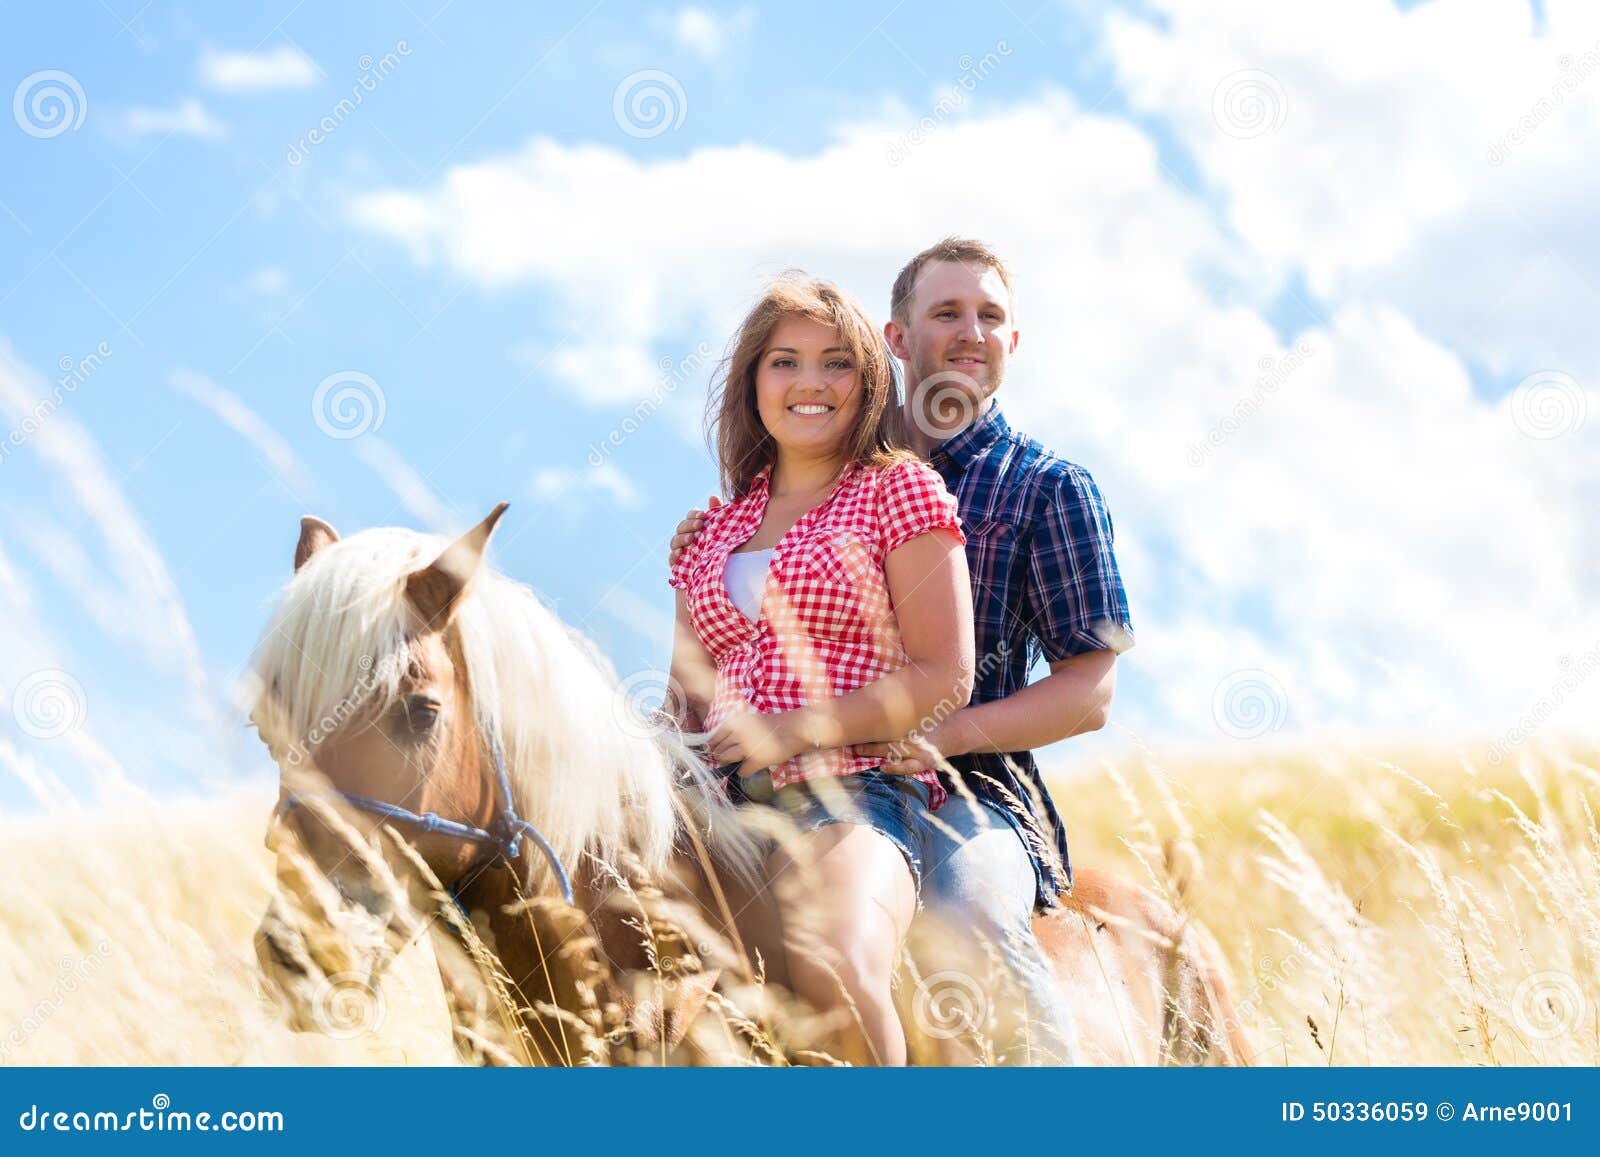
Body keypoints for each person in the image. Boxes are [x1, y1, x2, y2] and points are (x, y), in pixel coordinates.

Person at [670, 238, 1135, 1065]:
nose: (970, 332)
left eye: (991, 316)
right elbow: (715, 671)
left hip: (968, 784)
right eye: (946, 313)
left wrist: (939, 737)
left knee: (969, 925)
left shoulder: (1044, 485)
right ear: (897, 336)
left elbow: (1088, 692)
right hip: (784, 775)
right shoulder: (812, 476)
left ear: (1013, 341)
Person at [666, 272, 974, 1066]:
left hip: (854, 789)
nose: (809, 382)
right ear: (753, 382)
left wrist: (791, 729)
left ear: (869, 382)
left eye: (836, 362)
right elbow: (684, 703)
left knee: (836, 958)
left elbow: (945, 672)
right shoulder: (711, 530)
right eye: (784, 361)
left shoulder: (897, 490)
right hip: (714, 813)